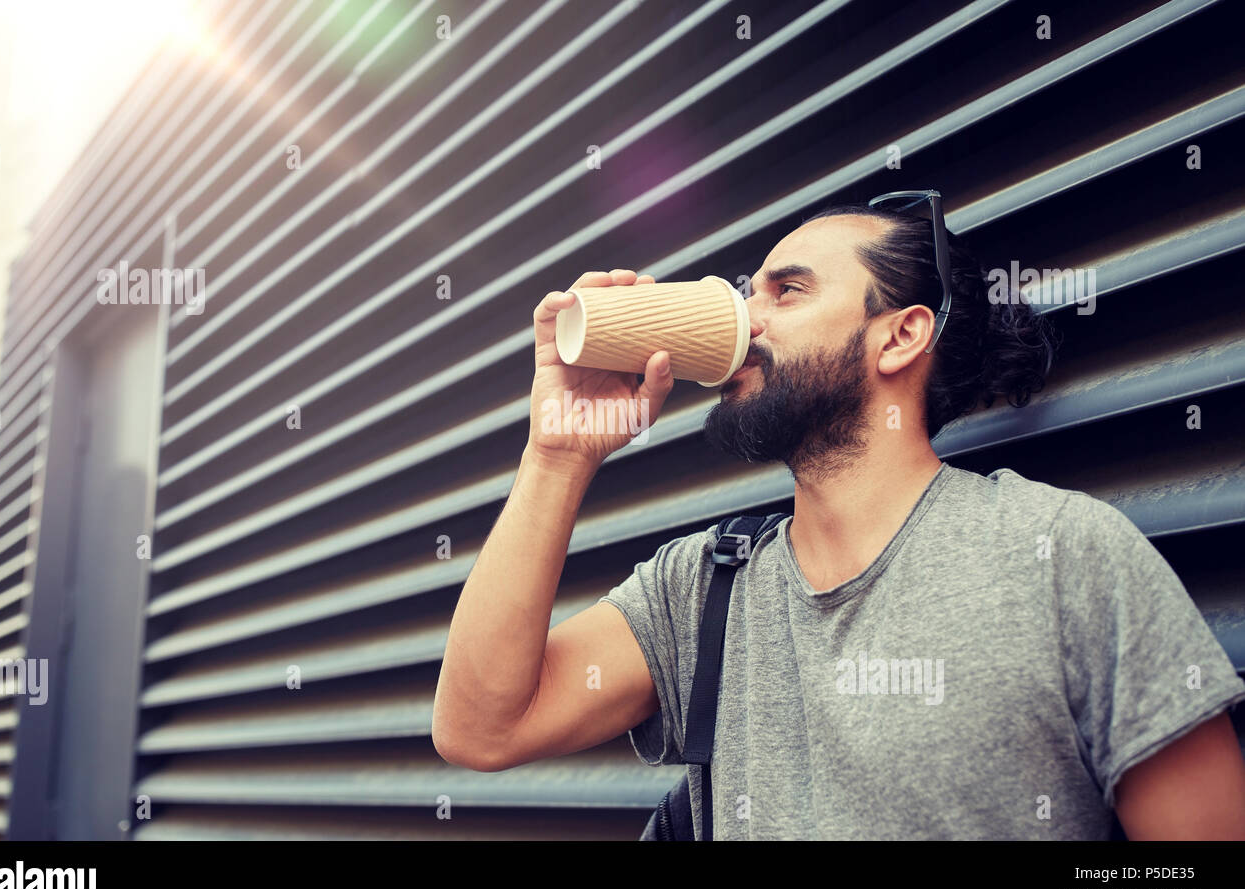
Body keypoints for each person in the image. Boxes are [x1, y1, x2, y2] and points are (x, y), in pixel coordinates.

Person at [431, 198, 1245, 840]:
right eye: (748, 292)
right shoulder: (704, 587)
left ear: (900, 336)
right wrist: (558, 453)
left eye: (786, 290)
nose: (745, 319)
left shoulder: (1060, 555)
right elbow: (482, 727)